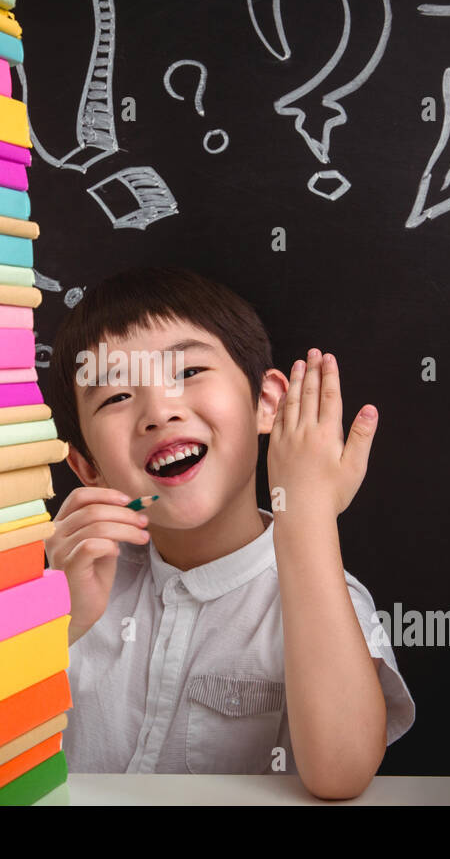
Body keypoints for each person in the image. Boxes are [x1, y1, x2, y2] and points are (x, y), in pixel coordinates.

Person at [44, 266, 415, 799]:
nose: (159, 411)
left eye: (189, 370)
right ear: (89, 468)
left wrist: (305, 511)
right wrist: (52, 624)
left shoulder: (320, 594)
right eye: (117, 397)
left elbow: (341, 773)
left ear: (267, 403)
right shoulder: (65, 585)